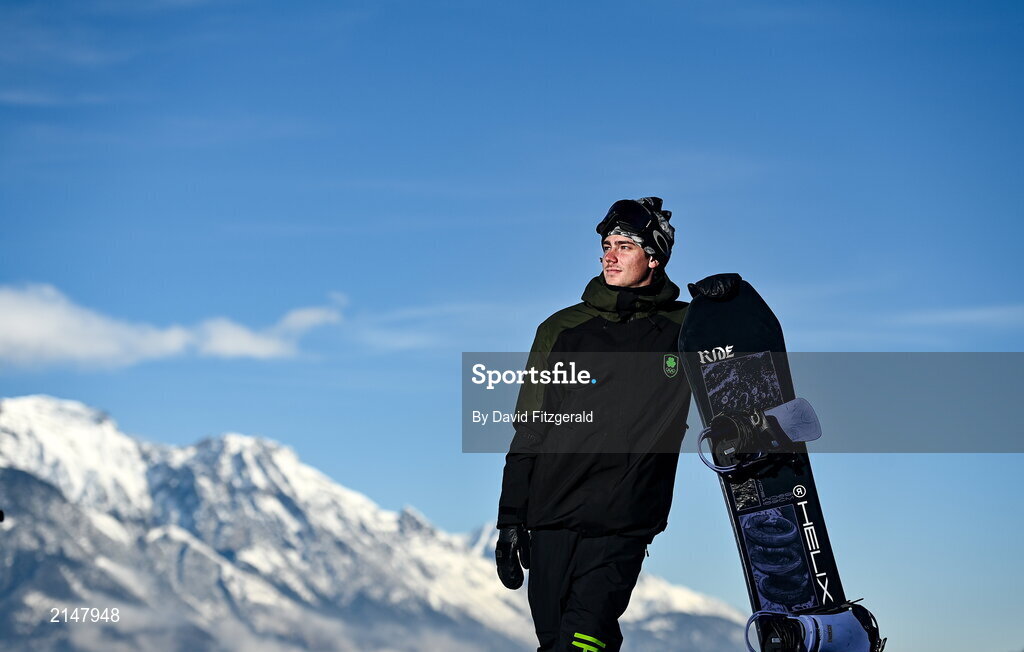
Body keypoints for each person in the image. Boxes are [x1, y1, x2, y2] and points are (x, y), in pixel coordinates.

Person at [495, 197, 693, 652]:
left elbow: (739, 354)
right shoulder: (561, 330)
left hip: (624, 518)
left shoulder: (684, 329)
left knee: (584, 640)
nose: (610, 254)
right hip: (551, 515)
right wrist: (510, 520)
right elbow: (529, 431)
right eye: (607, 244)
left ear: (655, 258)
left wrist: (732, 302)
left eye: (625, 245)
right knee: (556, 642)